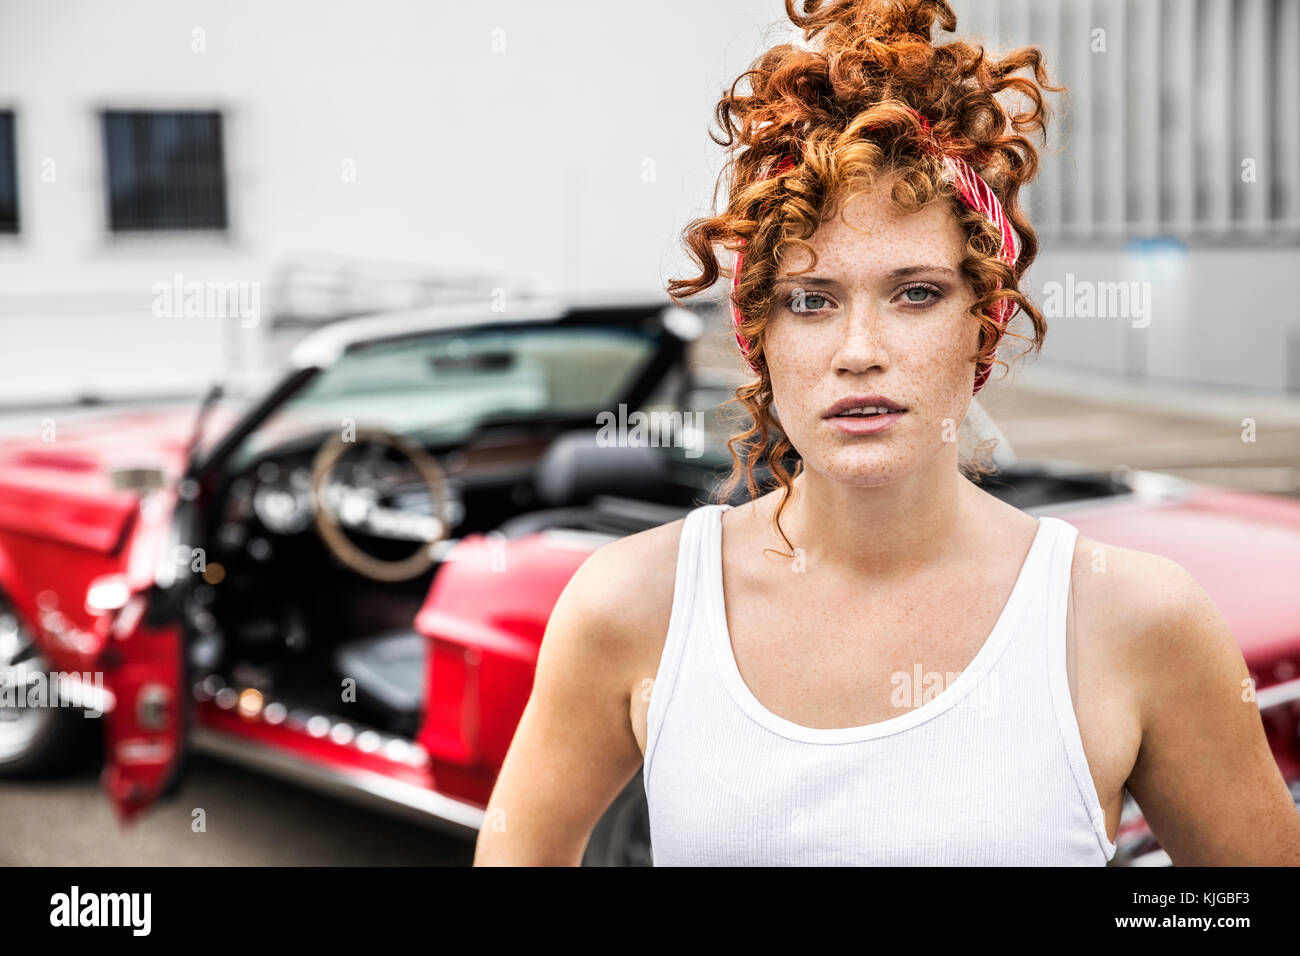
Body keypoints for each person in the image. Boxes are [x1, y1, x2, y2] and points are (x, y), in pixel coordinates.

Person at [474, 0, 1300, 865]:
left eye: (915, 293)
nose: (859, 353)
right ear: (758, 334)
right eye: (811, 300)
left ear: (984, 323)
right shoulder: (632, 606)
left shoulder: (1133, 619)